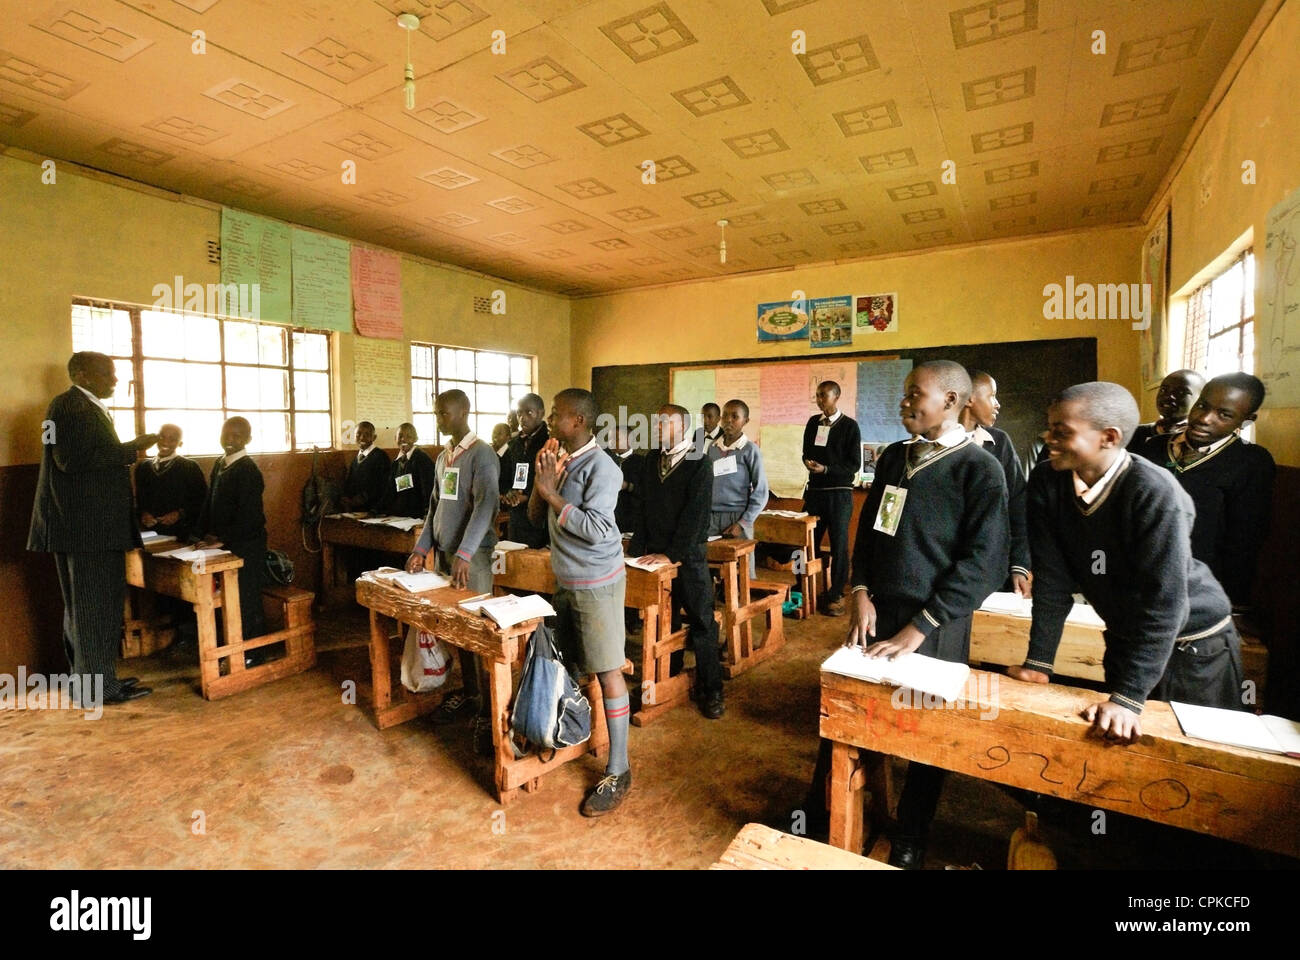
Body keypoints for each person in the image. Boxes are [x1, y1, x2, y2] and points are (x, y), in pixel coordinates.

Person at [836, 360, 1009, 869]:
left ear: (952, 402)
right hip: (878, 610)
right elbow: (868, 532)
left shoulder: (980, 469)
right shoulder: (894, 458)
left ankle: (911, 832)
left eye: (917, 394)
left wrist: (921, 627)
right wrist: (860, 591)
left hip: (936, 621)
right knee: (851, 707)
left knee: (925, 732)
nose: (905, 402)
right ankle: (831, 807)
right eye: (906, 394)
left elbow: (983, 564)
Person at [1009, 382, 1245, 747]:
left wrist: (1128, 698)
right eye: (1049, 426)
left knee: (1194, 758)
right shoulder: (1047, 479)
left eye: (1062, 431)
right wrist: (1039, 663)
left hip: (1192, 645)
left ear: (1109, 437)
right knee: (1119, 750)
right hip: (1127, 635)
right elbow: (1053, 580)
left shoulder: (1154, 492)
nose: (1047, 437)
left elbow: (1165, 603)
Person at [28, 351, 158, 704]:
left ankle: (91, 681)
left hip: (85, 528)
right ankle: (97, 689)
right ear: (82, 375)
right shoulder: (69, 406)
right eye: (108, 374)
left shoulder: (76, 407)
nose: (115, 380)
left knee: (87, 609)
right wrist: (132, 449)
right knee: (93, 610)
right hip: (87, 530)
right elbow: (70, 460)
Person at [527, 389, 633, 815]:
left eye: (557, 414)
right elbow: (536, 518)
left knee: (607, 672)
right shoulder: (560, 459)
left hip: (597, 583)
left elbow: (597, 530)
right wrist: (541, 484)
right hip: (567, 581)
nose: (551, 419)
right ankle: (569, 735)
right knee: (569, 666)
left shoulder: (602, 469)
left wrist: (553, 494)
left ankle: (619, 768)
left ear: (579, 421)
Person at [1134, 373, 1275, 613]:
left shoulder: (1251, 462)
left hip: (1197, 588)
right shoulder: (1152, 448)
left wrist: (1230, 602)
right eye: (1202, 406)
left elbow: (1243, 541)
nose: (1204, 419)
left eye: (1224, 414)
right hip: (1138, 577)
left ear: (1247, 421)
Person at [405, 390, 498, 747]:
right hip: (446, 555)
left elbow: (486, 506)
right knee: (457, 632)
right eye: (436, 412)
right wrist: (421, 548)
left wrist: (465, 552)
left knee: (478, 632)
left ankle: (488, 708)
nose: (438, 418)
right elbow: (433, 508)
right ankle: (471, 696)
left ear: (463, 412)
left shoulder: (482, 454)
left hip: (469, 559)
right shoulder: (444, 457)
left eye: (443, 412)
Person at [630, 404, 722, 719]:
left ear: (681, 426)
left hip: (689, 557)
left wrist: (672, 555)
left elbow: (695, 517)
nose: (656, 428)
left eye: (663, 423)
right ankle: (668, 676)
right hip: (653, 557)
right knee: (664, 621)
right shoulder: (650, 461)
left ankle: (712, 690)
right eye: (655, 423)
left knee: (702, 621)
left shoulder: (700, 462)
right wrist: (636, 550)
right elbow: (642, 507)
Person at [195, 417, 269, 654]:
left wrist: (223, 539)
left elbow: (250, 517)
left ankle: (253, 653)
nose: (230, 439)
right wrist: (199, 534)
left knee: (245, 599)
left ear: (248, 439)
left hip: (246, 545)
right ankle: (230, 648)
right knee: (225, 598)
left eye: (237, 435)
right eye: (226, 433)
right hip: (224, 543)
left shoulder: (248, 470)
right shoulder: (220, 464)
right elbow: (208, 502)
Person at [959, 370, 1030, 595]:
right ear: (969, 398)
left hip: (992, 567)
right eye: (992, 396)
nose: (997, 404)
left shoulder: (999, 443)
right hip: (944, 568)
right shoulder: (932, 444)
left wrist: (1020, 564)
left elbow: (1018, 505)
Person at [801, 380, 861, 616]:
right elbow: (806, 451)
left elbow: (853, 465)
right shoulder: (813, 423)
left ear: (836, 397)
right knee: (805, 544)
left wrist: (826, 469)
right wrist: (808, 462)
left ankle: (836, 594)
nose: (819, 400)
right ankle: (802, 589)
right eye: (817, 395)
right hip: (815, 493)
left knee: (839, 545)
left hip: (839, 495)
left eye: (823, 395)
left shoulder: (849, 426)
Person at [707, 399, 769, 576]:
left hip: (738, 517)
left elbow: (761, 491)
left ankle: (743, 601)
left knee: (742, 569)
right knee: (711, 565)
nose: (729, 421)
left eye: (735, 417)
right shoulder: (712, 448)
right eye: (725, 416)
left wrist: (743, 523)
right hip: (711, 518)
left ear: (745, 421)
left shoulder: (750, 450)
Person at [135, 423, 206, 541]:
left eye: (172, 439)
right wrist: (144, 513)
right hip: (150, 532)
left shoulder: (190, 466)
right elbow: (140, 499)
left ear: (180, 443)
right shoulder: (143, 467)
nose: (165, 442)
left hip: (181, 532)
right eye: (162, 437)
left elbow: (201, 500)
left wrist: (180, 514)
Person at [501, 394, 550, 548]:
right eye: (519, 413)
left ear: (541, 413)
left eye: (529, 413)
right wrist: (508, 493)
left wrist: (528, 496)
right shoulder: (514, 444)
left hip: (540, 521)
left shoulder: (549, 442)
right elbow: (504, 475)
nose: (522, 418)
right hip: (516, 517)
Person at [1127, 369, 1205, 450]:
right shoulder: (1135, 433)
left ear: (1200, 400)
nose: (1168, 396)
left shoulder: (1197, 439)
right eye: (1163, 390)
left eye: (1181, 392)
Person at [382, 422, 437, 519]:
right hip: (398, 517)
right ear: (395, 438)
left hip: (417, 516)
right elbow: (390, 491)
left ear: (415, 438)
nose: (403, 439)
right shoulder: (396, 463)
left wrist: (427, 514)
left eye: (409, 436)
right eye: (400, 436)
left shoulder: (422, 459)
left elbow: (428, 490)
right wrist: (376, 511)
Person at [340, 420, 390, 512]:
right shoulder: (356, 460)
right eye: (358, 434)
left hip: (373, 510)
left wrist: (365, 500)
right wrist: (346, 499)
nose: (362, 437)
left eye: (367, 434)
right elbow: (350, 483)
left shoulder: (380, 457)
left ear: (374, 437)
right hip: (356, 510)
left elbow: (383, 486)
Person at [604, 424, 645, 536]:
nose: (611, 442)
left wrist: (627, 486)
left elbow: (647, 491)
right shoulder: (604, 459)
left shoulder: (642, 462)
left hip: (630, 520)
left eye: (616, 439)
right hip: (607, 518)